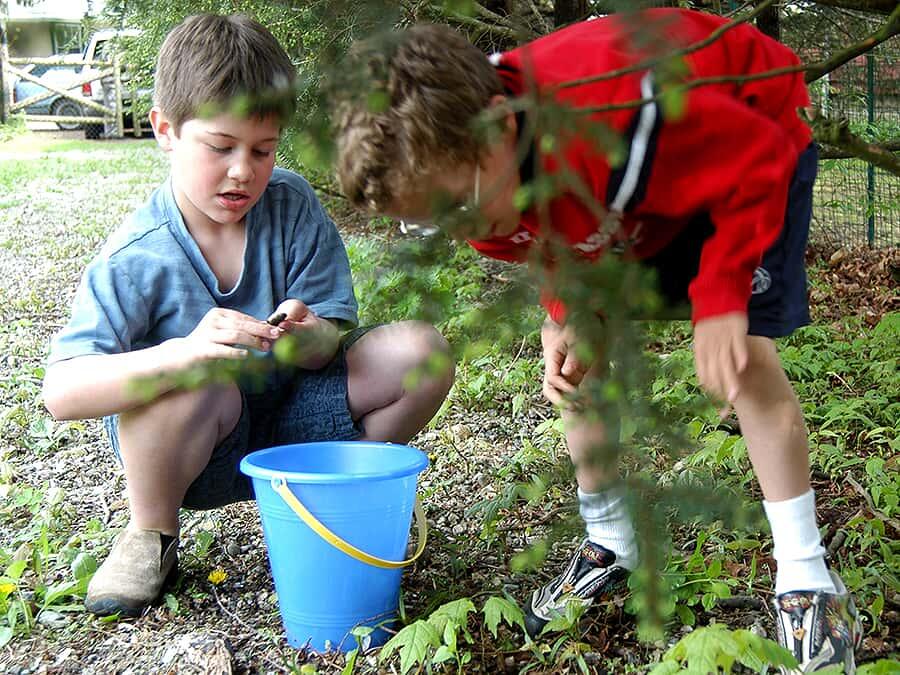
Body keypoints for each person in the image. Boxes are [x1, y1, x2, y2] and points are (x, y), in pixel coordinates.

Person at [332, 8, 860, 672]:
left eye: (457, 209)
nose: (462, 231)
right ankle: (610, 541)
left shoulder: (619, 111)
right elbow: (543, 227)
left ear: (498, 127)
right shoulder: (475, 173)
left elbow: (756, 158)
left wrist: (721, 295)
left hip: (746, 144)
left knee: (745, 358)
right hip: (616, 191)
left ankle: (806, 577)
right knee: (577, 361)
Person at [42, 13, 454, 619]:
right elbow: (61, 390)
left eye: (263, 150)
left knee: (421, 354)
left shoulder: (290, 205)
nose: (244, 170)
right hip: (195, 454)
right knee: (192, 379)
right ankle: (150, 535)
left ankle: (332, 494)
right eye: (221, 147)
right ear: (166, 131)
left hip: (295, 421)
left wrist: (311, 336)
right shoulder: (137, 254)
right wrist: (181, 354)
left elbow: (333, 339)